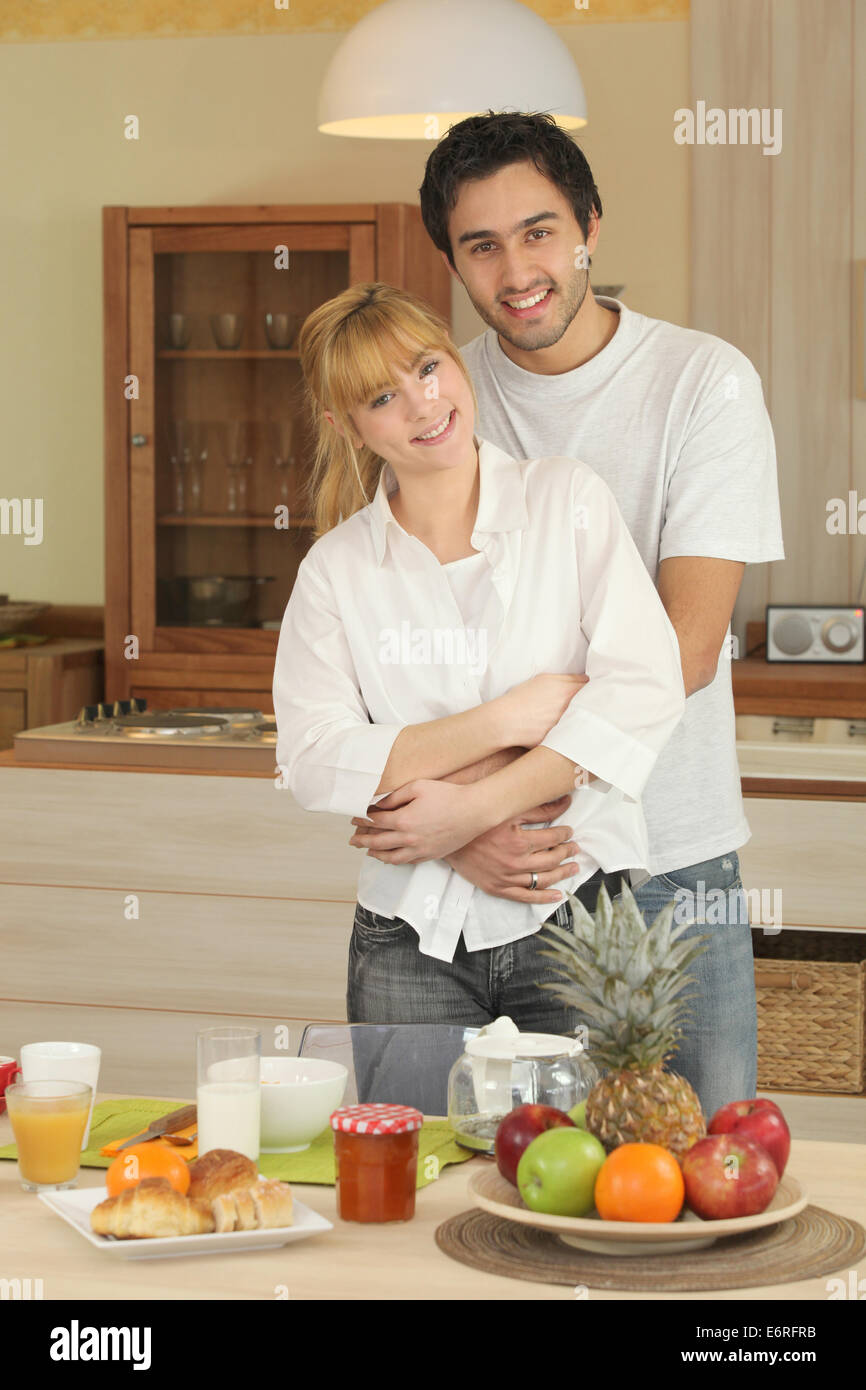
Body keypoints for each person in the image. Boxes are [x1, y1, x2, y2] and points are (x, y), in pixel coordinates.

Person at [350, 112, 785, 1116]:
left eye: (539, 231)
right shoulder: (433, 397)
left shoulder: (700, 385)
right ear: (450, 261)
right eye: (481, 245)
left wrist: (481, 803)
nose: (515, 271)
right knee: (474, 1205)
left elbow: (677, 653)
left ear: (589, 223)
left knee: (688, 1185)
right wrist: (460, 831)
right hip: (483, 874)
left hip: (665, 866)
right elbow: (378, 665)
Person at [272, 281, 686, 1035]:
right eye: (382, 397)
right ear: (348, 426)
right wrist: (509, 718)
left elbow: (643, 687)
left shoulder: (568, 501)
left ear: (457, 364)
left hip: (576, 909)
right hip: (407, 931)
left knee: (584, 1154)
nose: (423, 404)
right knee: (414, 1153)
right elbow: (311, 756)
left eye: (427, 368)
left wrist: (466, 815)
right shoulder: (335, 569)